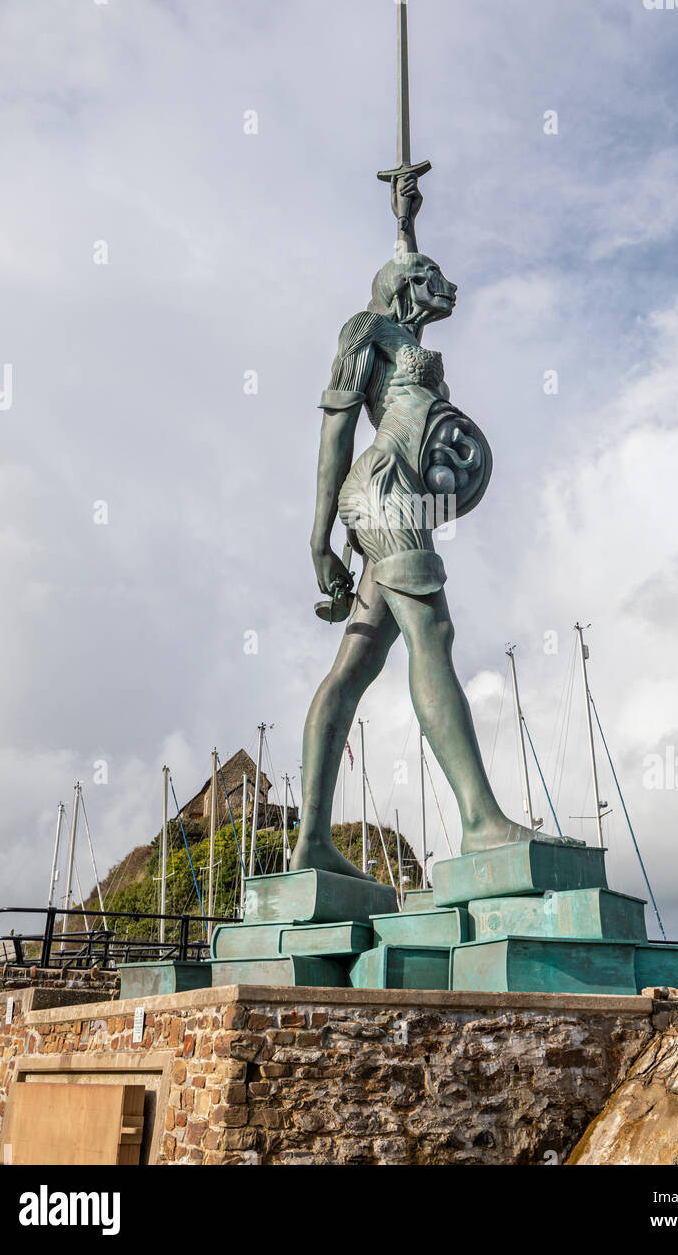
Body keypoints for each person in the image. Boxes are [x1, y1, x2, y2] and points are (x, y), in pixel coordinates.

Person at [291, 174, 576, 879]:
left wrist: (405, 220)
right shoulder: (368, 329)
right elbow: (335, 430)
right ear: (398, 289)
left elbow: (403, 275)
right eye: (428, 279)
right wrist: (318, 538)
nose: (444, 288)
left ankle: (314, 844)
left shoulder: (401, 329)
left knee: (353, 667)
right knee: (433, 635)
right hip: (384, 493)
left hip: (401, 499)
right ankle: (481, 820)